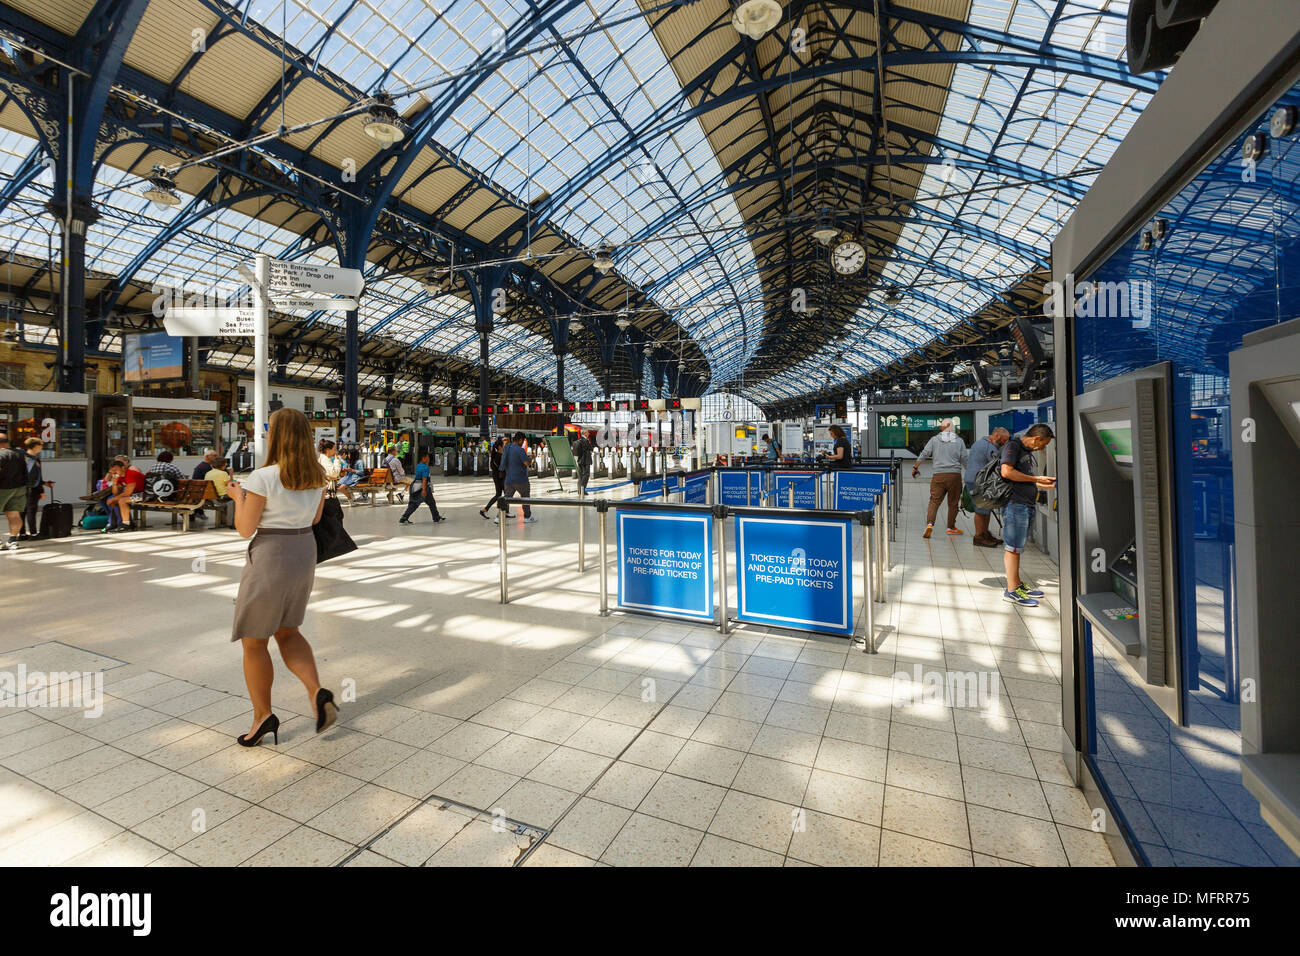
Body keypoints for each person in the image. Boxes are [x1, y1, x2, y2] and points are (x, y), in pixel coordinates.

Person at [227, 407, 338, 747]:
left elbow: (246, 529)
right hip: (304, 552)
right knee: (288, 632)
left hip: (272, 555)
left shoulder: (262, 478)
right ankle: (317, 692)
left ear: (274, 436)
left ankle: (263, 716)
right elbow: (317, 518)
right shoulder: (317, 476)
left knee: (254, 640)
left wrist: (237, 497)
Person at [999, 423, 1056, 607]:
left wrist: (1045, 483)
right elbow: (1006, 472)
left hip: (1025, 504)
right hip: (1015, 505)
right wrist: (1036, 479)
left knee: (1018, 548)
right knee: (1013, 548)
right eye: (1044, 444)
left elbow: (1026, 479)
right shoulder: (1013, 446)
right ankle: (1012, 591)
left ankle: (1017, 584)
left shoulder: (1025, 452)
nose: (1043, 448)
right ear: (1037, 438)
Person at [913, 419, 969, 538]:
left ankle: (929, 524)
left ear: (943, 427)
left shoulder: (934, 440)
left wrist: (915, 466)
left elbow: (925, 453)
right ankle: (950, 527)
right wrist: (969, 472)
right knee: (953, 503)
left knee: (934, 501)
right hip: (954, 476)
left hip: (938, 475)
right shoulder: (959, 441)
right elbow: (965, 458)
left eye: (941, 426)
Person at [965, 427, 1010, 548]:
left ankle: (985, 533)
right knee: (981, 509)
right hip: (979, 481)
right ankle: (979, 537)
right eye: (1003, 440)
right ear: (996, 436)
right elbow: (996, 464)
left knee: (987, 507)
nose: (1004, 443)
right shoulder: (989, 447)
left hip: (975, 479)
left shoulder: (979, 443)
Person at [497, 431, 536, 523]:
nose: (523, 443)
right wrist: (531, 459)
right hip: (521, 479)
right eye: (523, 441)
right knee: (525, 497)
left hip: (509, 479)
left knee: (506, 499)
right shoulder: (520, 450)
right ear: (520, 440)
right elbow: (526, 463)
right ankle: (527, 517)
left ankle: (498, 517)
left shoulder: (508, 447)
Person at [399, 451, 445, 525]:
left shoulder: (418, 466)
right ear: (423, 458)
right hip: (422, 488)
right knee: (415, 504)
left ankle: (436, 517)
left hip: (415, 486)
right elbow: (424, 479)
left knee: (431, 502)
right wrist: (424, 490)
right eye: (427, 457)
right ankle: (404, 518)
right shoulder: (425, 467)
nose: (428, 458)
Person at [21, 437, 53, 539]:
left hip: (22, 489)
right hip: (32, 490)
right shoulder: (33, 459)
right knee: (31, 511)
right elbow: (35, 477)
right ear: (35, 446)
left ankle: (22, 534)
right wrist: (41, 490)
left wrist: (45, 483)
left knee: (22, 511)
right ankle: (34, 534)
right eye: (40, 445)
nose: (41, 447)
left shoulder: (22, 457)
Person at [0, 432, 27, 551]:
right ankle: (12, 541)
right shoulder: (19, 454)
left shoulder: (0, 455)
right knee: (14, 515)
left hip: (2, 488)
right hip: (19, 488)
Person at [106, 456, 145, 530]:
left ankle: (126, 523)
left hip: (145, 495)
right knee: (116, 501)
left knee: (121, 500)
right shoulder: (121, 477)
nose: (114, 473)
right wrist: (114, 483)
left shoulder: (131, 474)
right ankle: (119, 523)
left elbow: (128, 493)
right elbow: (116, 493)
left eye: (116, 470)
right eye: (112, 471)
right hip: (136, 494)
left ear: (123, 468)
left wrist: (113, 499)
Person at [480, 437, 512, 518]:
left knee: (500, 494)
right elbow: (503, 467)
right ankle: (505, 512)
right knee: (505, 494)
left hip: (496, 476)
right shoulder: (499, 456)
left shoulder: (495, 455)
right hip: (500, 477)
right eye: (503, 445)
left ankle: (486, 509)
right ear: (500, 447)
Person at [190, 450, 218, 521]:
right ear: (207, 457)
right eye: (214, 455)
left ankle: (198, 512)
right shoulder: (206, 468)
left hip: (197, 492)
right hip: (202, 493)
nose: (216, 457)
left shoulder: (202, 465)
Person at [571, 429, 593, 496]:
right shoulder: (585, 440)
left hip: (580, 460)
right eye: (588, 432)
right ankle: (583, 490)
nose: (588, 433)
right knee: (586, 475)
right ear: (585, 433)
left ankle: (579, 490)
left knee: (580, 476)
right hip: (585, 461)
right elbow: (590, 448)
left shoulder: (579, 440)